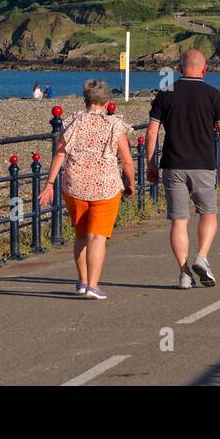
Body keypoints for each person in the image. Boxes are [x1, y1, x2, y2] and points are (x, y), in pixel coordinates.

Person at [145, 50, 220, 289]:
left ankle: (184, 273)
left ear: (179, 68)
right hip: (203, 164)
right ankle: (202, 257)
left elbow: (152, 132)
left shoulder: (165, 93)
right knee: (208, 213)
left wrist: (151, 163)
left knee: (178, 221)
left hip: (173, 165)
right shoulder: (212, 95)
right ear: (204, 69)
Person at [39, 80, 136, 299]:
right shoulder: (114, 125)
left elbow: (60, 154)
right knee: (97, 237)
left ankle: (82, 282)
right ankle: (93, 285)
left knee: (81, 235)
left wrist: (49, 185)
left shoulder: (74, 122)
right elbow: (127, 160)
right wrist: (130, 182)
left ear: (85, 101)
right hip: (105, 186)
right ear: (108, 102)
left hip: (75, 185)